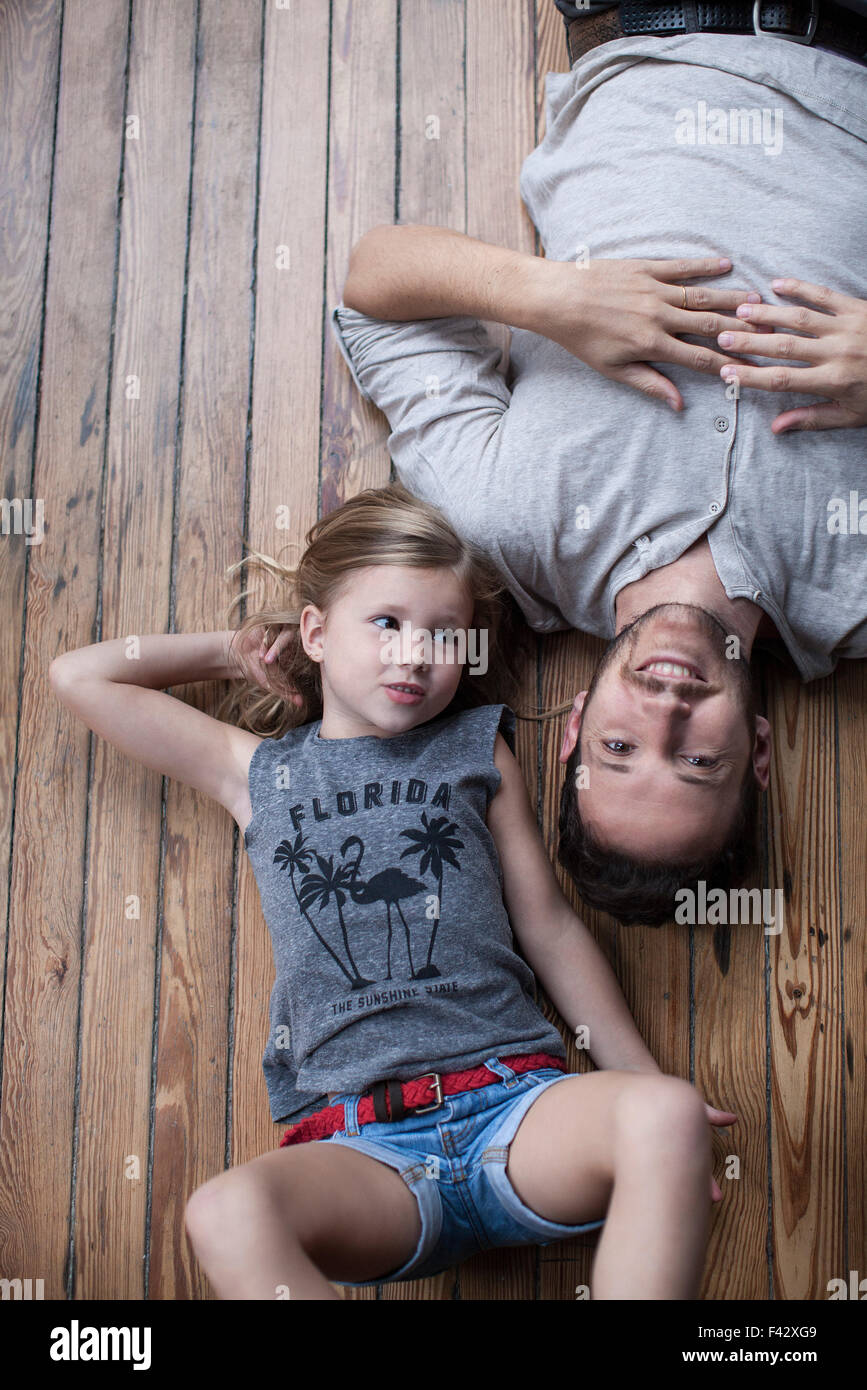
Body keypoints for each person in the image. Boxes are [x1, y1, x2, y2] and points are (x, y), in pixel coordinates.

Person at [48, 483, 737, 1298]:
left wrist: (644, 1081)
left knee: (662, 1113)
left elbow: (548, 927)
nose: (414, 654)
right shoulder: (257, 773)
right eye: (385, 623)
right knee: (223, 1213)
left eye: (444, 635)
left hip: (514, 1111)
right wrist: (239, 651)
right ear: (316, 630)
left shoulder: (479, 749)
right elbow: (80, 677)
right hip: (360, 1151)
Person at [328, 11, 867, 926]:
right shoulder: (853, 599)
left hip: (645, 26)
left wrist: (552, 295)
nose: (666, 709)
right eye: (697, 760)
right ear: (758, 753)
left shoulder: (500, 522)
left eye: (619, 748)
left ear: (574, 726)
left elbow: (374, 291)